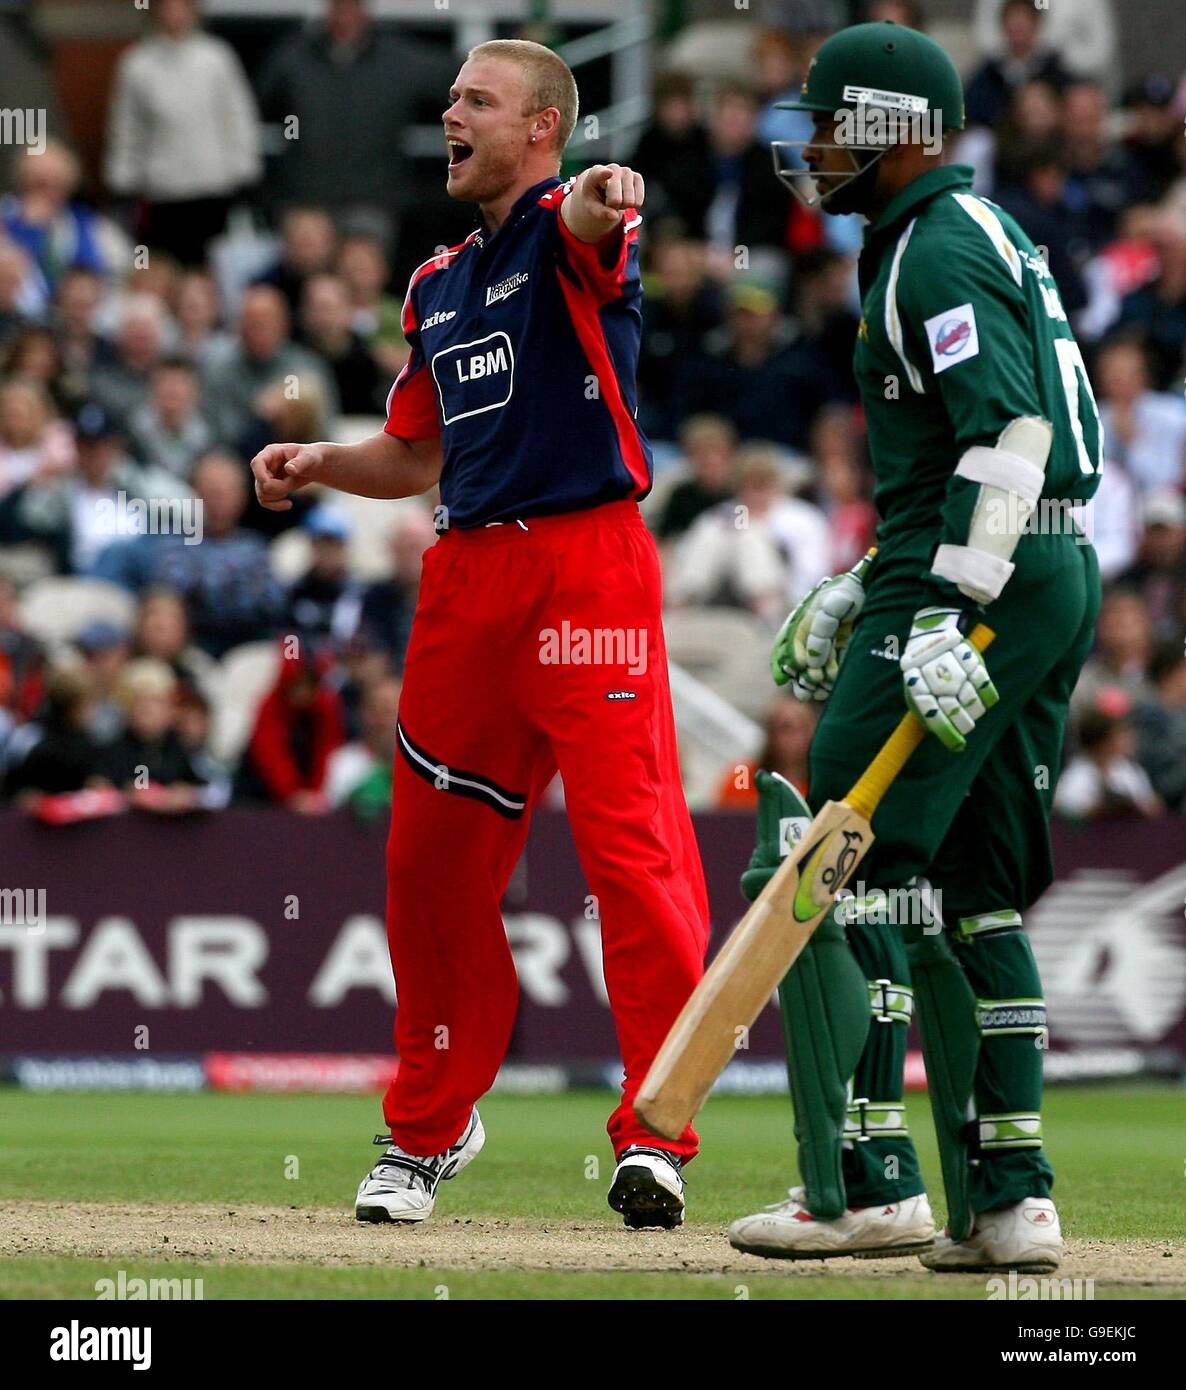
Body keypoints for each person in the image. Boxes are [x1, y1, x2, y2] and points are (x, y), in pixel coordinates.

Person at [251, 38, 709, 1232]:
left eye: (474, 101)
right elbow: (415, 451)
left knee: (633, 858)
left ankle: (655, 1128)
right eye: (451, 96)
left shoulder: (570, 222)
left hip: (586, 574)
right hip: (465, 582)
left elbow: (597, 230)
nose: (447, 113)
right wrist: (317, 464)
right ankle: (431, 1128)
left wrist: (612, 200)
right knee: (427, 874)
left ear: (544, 129)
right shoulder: (435, 283)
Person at [731, 21, 1103, 1274]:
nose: (813, 145)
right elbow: (1001, 446)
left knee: (830, 848)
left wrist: (941, 603)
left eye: (831, 122)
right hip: (1045, 568)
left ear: (888, 128)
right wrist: (869, 575)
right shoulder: (975, 228)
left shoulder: (931, 247)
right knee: (974, 885)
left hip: (980, 571)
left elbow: (1005, 433)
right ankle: (1010, 1197)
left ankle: (861, 1181)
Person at [104, 0, 261, 266]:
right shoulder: (136, 63)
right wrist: (123, 177)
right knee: (163, 265)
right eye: (167, 6)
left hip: (213, 186)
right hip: (162, 189)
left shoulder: (217, 57)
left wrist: (243, 167)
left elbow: (238, 116)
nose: (174, 13)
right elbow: (126, 127)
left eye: (182, 5)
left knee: (211, 266)